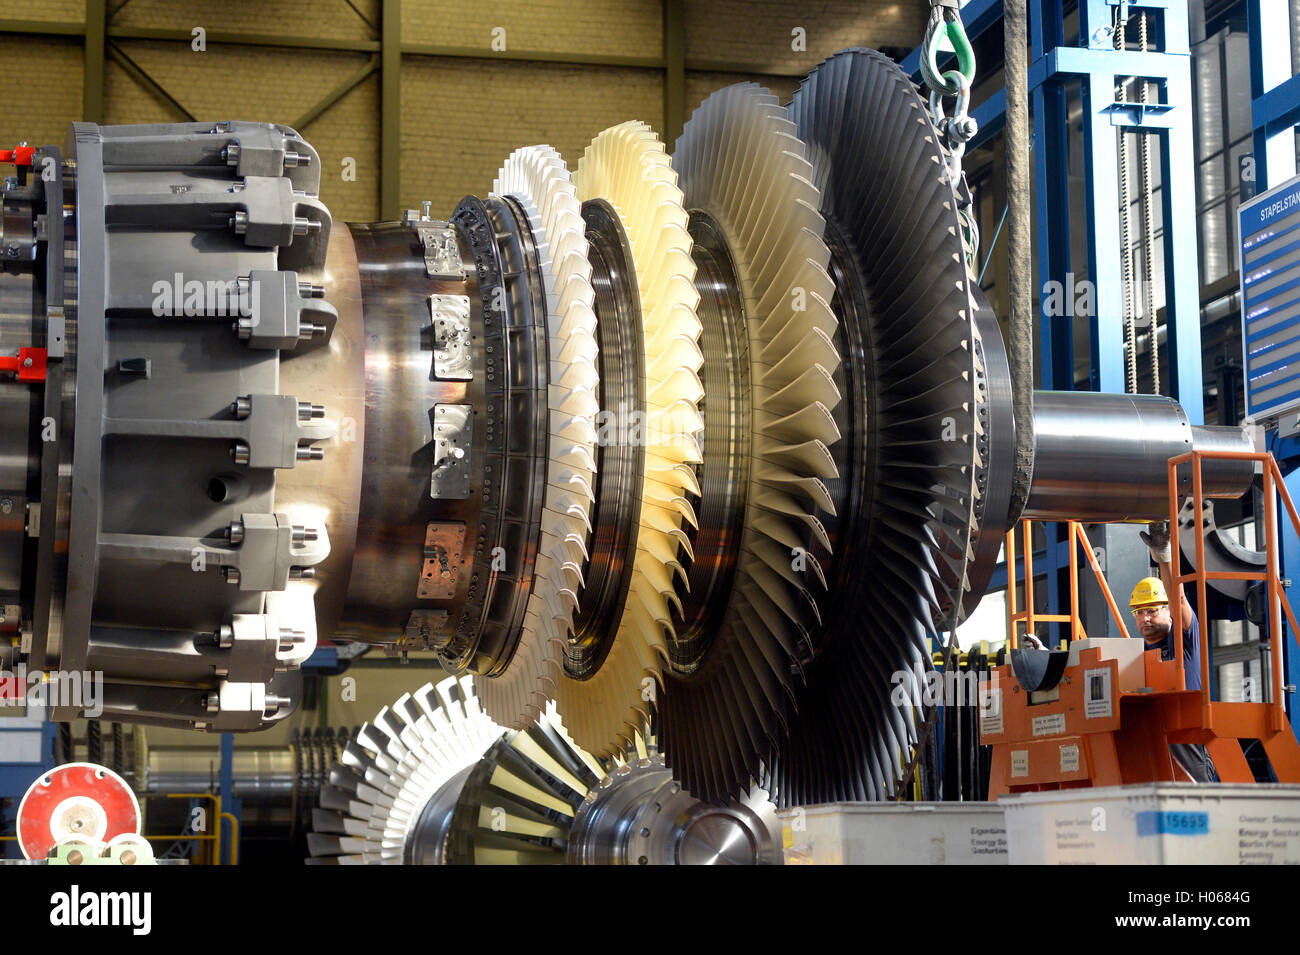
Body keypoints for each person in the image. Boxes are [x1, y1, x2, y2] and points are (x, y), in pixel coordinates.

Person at [1134, 520, 1218, 783]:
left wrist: (1164, 558)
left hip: (1188, 747)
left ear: (1166, 610)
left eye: (1151, 610)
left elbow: (1178, 599)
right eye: (1138, 612)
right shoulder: (1135, 658)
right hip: (1153, 749)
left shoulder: (1183, 640)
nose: (1144, 618)